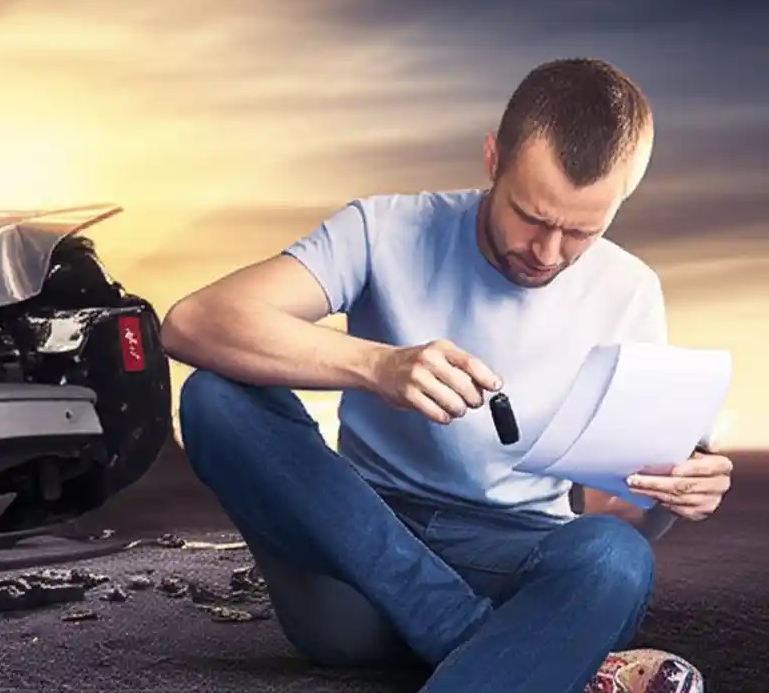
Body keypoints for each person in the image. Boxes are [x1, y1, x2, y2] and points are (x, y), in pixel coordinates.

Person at [161, 58, 730, 692]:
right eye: (532, 216)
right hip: (356, 561)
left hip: (511, 551)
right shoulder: (383, 230)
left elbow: (611, 511)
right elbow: (192, 323)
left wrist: (670, 496)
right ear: (493, 158)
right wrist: (376, 365)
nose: (548, 253)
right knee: (216, 397)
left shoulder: (631, 292)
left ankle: (474, 644)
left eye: (582, 232)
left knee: (615, 556)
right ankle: (498, 646)